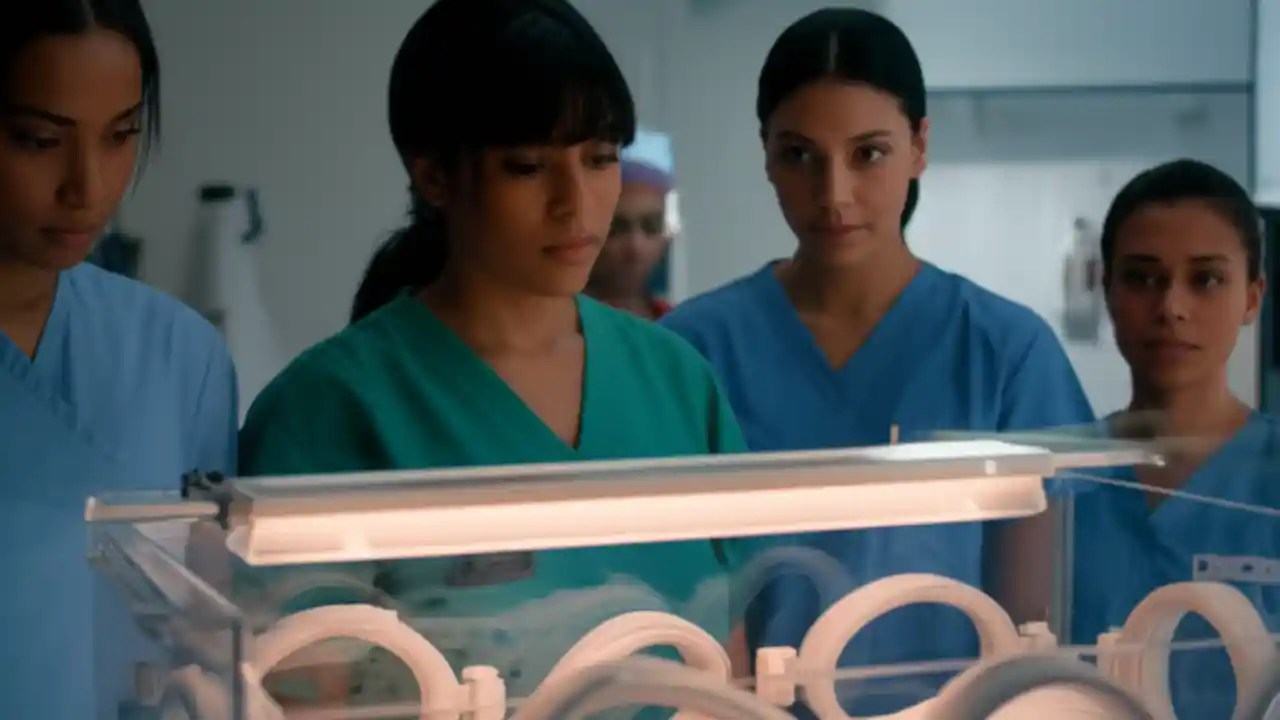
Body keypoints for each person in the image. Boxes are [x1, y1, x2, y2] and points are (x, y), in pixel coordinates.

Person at [238, 0, 746, 707]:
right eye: (529, 167)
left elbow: (734, 672)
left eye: (600, 160)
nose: (577, 204)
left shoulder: (678, 383)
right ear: (436, 176)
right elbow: (304, 693)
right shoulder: (330, 412)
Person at [660, 7, 1094, 710]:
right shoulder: (694, 351)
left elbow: (1025, 639)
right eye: (800, 155)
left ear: (919, 146)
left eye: (869, 153)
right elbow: (687, 605)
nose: (835, 195)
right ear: (765, 153)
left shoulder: (1003, 352)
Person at [0, 2, 238, 716]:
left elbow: (208, 633)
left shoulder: (178, 356)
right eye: (39, 140)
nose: (89, 186)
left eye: (121, 137)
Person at [1071, 159, 1277, 719]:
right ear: (1105, 287)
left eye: (1206, 279)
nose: (1171, 308)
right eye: (1141, 278)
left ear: (1253, 297)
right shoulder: (1056, 479)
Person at [586, 127, 676, 319]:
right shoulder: (553, 331)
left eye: (651, 227)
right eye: (616, 228)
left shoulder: (680, 328)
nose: (635, 247)